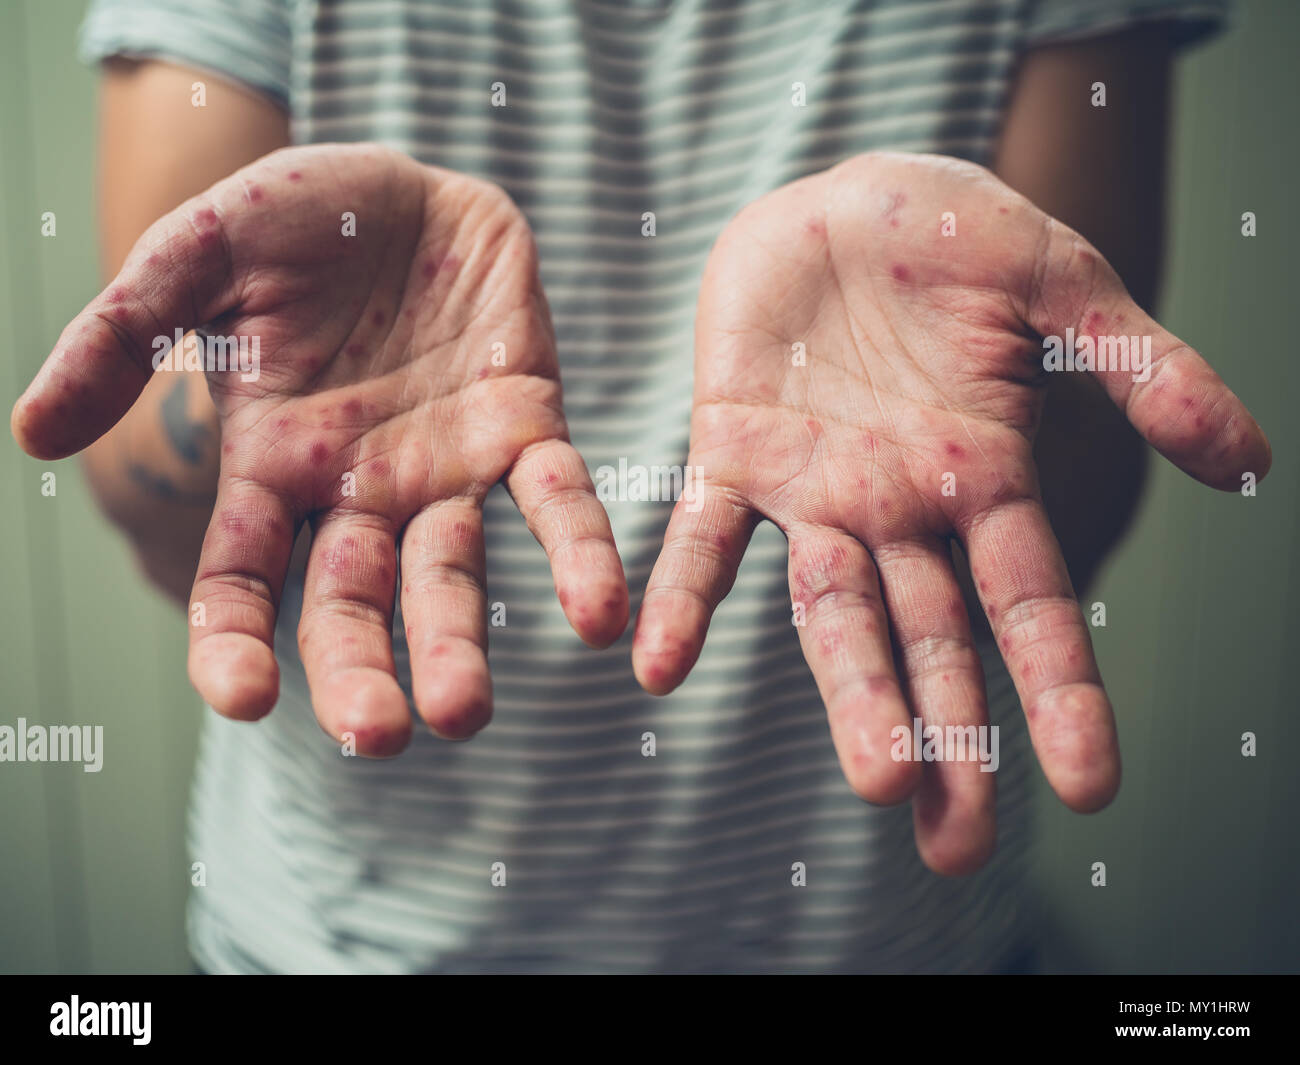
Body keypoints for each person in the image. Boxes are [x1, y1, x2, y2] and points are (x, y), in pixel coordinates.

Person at [12, 0, 1268, 973]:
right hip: (343, 941)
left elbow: (1063, 507)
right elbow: (152, 469)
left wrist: (978, 355)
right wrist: (255, 387)